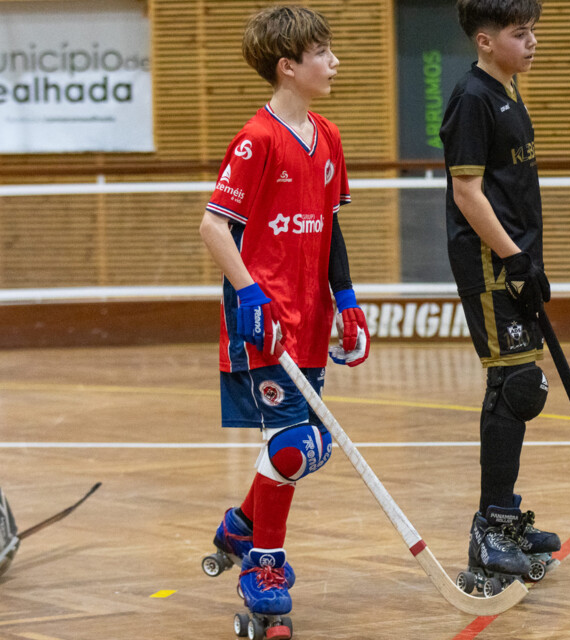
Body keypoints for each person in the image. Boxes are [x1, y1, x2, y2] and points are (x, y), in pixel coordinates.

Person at [198, 5, 370, 629]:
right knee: (294, 445)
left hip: (311, 318)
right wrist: (250, 295)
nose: (334, 62)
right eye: (323, 53)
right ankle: (261, 564)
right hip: (262, 318)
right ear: (288, 67)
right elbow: (214, 228)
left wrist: (346, 300)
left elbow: (331, 227)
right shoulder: (256, 140)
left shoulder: (327, 136)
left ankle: (241, 524)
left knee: (306, 444)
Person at [439, 0, 561, 591]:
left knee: (518, 384)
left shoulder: (510, 92)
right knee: (516, 384)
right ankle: (492, 526)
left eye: (533, 30)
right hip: (490, 262)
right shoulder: (473, 98)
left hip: (514, 258)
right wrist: (512, 257)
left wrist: (528, 258)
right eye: (520, 33)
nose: (532, 41)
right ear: (485, 41)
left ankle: (503, 515)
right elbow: (467, 191)